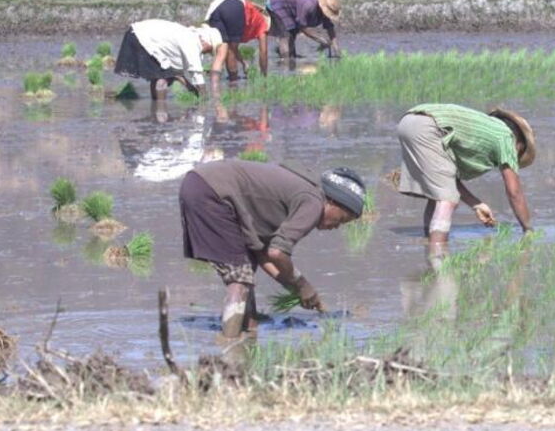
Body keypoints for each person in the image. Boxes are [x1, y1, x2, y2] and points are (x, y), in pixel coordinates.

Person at [179, 159, 366, 340]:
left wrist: (295, 288)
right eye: (341, 219)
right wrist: (303, 285)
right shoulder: (313, 203)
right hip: (211, 192)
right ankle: (230, 342)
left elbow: (263, 255)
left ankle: (249, 327)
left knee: (246, 266)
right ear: (332, 202)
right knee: (239, 278)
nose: (336, 226)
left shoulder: (307, 195)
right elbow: (277, 253)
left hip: (200, 183)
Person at [395, 104, 535, 243]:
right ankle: (437, 254)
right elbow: (514, 192)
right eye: (518, 155)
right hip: (429, 126)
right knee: (447, 201)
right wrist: (528, 229)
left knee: (437, 195)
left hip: (408, 121)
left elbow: (449, 180)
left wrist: (477, 205)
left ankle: (428, 242)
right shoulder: (507, 137)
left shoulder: (485, 130)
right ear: (519, 145)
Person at [114, 19, 221, 101]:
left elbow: (174, 71)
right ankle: (160, 113)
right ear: (207, 42)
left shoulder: (189, 36)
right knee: (162, 78)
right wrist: (203, 98)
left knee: (158, 75)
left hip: (138, 34)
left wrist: (190, 88)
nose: (207, 53)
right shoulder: (191, 42)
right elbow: (196, 74)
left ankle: (155, 108)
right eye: (210, 50)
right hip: (140, 37)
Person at [265, 0, 341, 60]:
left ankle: (291, 57)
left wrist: (336, 50)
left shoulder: (323, 13)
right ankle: (285, 61)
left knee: (293, 31)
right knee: (285, 35)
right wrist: (321, 40)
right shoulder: (309, 6)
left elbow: (330, 28)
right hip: (277, 3)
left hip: (291, 7)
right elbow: (303, 27)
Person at [204, 0, 271, 79]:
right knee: (230, 48)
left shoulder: (252, 9)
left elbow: (234, 49)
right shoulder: (263, 24)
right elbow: (263, 52)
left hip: (214, 10)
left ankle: (217, 83)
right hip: (234, 7)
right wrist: (264, 75)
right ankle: (233, 82)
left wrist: (243, 63)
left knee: (223, 48)